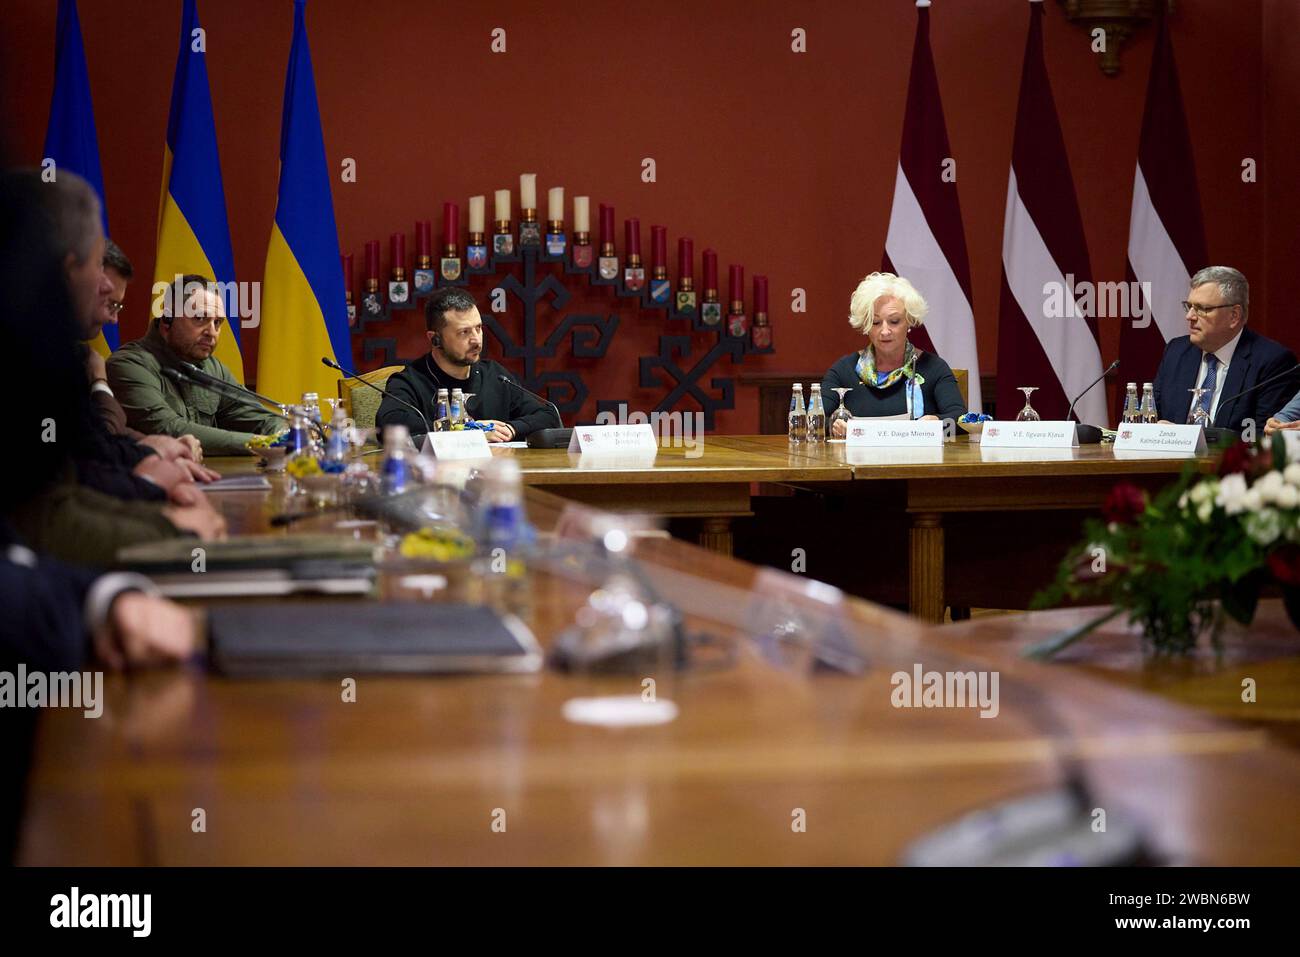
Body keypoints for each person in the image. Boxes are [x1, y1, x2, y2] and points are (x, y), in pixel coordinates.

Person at [1, 171, 226, 565]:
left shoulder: (49, 354)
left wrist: (144, 458)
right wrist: (171, 523)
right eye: (96, 268)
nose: (106, 290)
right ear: (65, 268)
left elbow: (74, 475)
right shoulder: (35, 365)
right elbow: (44, 517)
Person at [107, 274, 282, 455]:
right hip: (149, 478)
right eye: (200, 318)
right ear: (168, 320)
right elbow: (170, 429)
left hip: (206, 478)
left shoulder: (214, 369)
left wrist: (287, 436)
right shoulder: (128, 365)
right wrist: (262, 443)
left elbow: (262, 419)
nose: (211, 332)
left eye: (217, 322)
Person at [376, 287, 559, 443]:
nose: (476, 340)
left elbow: (549, 416)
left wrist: (511, 429)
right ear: (435, 339)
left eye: (478, 328)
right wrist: (470, 431)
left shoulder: (495, 376)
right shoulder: (410, 381)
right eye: (464, 332)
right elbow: (389, 425)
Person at [91, 240, 205, 461]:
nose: (113, 319)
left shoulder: (80, 356)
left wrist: (161, 447)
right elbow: (93, 444)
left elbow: (116, 435)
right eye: (108, 302)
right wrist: (99, 383)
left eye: (117, 306)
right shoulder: (125, 363)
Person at [1153, 266, 1299, 433]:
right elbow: (1152, 416)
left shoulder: (1272, 362)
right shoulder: (1176, 352)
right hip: (1168, 459)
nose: (1190, 316)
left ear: (1234, 316)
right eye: (1189, 306)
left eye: (1202, 309)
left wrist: (1186, 438)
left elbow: (1262, 439)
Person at [821, 272, 966, 435]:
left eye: (894, 321)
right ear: (865, 325)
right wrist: (834, 426)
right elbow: (814, 421)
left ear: (909, 321)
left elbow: (960, 420)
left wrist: (936, 422)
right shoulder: (844, 370)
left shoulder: (933, 367)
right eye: (875, 323)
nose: (885, 331)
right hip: (858, 459)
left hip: (917, 459)